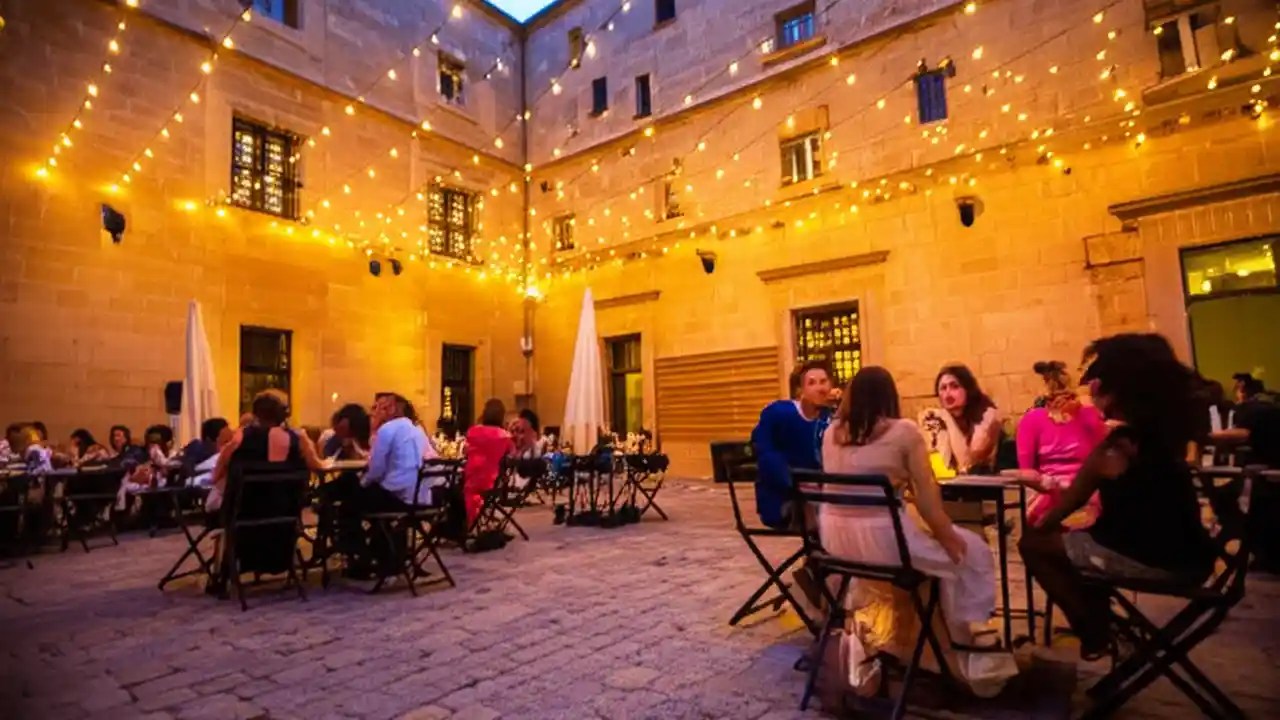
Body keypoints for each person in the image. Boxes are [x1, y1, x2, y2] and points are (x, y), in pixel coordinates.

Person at [819, 366, 1014, 697]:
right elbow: (928, 502)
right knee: (971, 551)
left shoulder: (830, 433)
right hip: (883, 543)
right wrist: (949, 539)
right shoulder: (904, 431)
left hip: (837, 542)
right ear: (889, 396)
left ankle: (911, 644)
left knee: (936, 556)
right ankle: (961, 644)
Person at [1019, 334, 1216, 660]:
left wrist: (1046, 518)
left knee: (1035, 544)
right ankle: (1104, 620)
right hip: (1194, 557)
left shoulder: (1116, 447)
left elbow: (1063, 508)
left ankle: (1094, 633)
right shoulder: (1166, 438)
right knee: (1080, 546)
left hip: (1154, 561)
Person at [1014, 361, 1108, 529]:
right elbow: (1027, 471)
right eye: (1055, 398)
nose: (1061, 403)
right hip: (1048, 491)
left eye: (1067, 398)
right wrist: (1049, 485)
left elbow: (1101, 463)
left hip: (1086, 493)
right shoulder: (1032, 420)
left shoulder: (1090, 416)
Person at [208, 390, 324, 513]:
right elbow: (317, 466)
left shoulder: (240, 438)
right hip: (285, 513)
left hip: (245, 514)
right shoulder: (299, 438)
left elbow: (216, 476)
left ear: (255, 413)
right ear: (284, 414)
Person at [750, 360, 833, 529]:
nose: (820, 388)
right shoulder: (778, 414)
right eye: (812, 383)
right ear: (799, 391)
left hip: (824, 495)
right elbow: (766, 455)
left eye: (824, 382)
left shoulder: (831, 417)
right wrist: (794, 483)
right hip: (786, 500)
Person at [926, 364, 1002, 473]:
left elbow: (967, 463)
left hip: (983, 485)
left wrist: (947, 418)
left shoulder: (987, 414)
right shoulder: (939, 419)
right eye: (943, 388)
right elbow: (940, 465)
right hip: (952, 486)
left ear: (968, 389)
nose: (947, 394)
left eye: (954, 386)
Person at [463, 398, 515, 526]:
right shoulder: (505, 437)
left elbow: (465, 452)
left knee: (450, 489)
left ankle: (458, 526)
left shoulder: (473, 432)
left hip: (471, 480)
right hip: (493, 483)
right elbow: (513, 457)